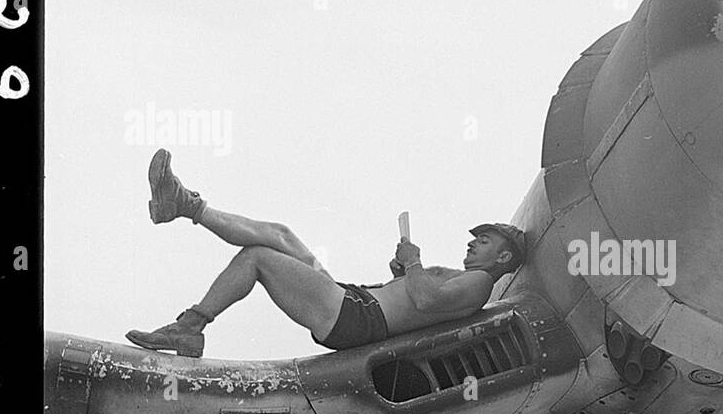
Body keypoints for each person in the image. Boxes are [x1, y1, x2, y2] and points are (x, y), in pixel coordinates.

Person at [125, 150, 527, 358]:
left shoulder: (479, 283)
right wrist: (400, 274)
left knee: (257, 258)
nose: (473, 243)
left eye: (486, 241)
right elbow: (418, 300)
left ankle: (189, 328)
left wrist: (414, 262)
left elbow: (425, 299)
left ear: (504, 259)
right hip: (352, 300)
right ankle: (183, 204)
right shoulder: (464, 276)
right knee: (282, 235)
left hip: (356, 317)